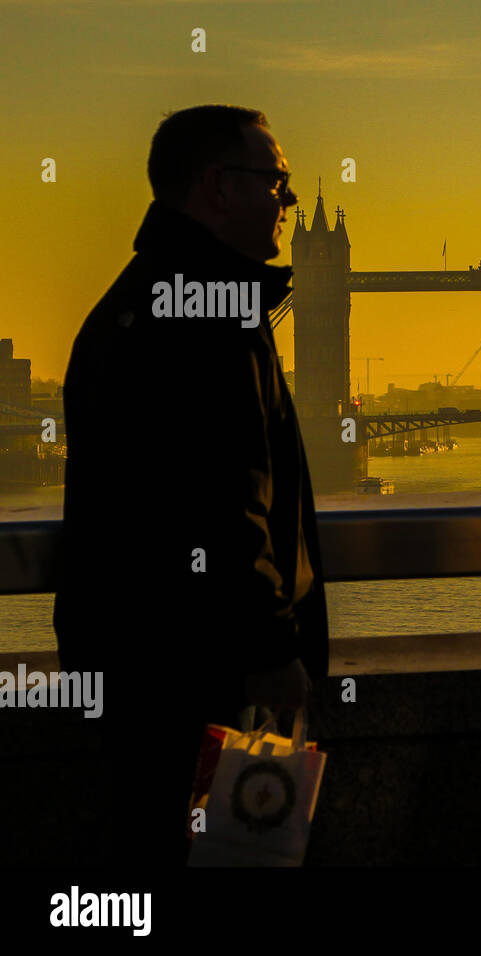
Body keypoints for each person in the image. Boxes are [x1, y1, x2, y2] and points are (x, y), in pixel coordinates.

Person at [54, 105, 329, 865]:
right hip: (201, 680)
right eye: (276, 181)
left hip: (138, 670)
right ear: (217, 187)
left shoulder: (141, 301)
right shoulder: (206, 314)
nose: (288, 201)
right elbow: (222, 502)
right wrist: (273, 650)